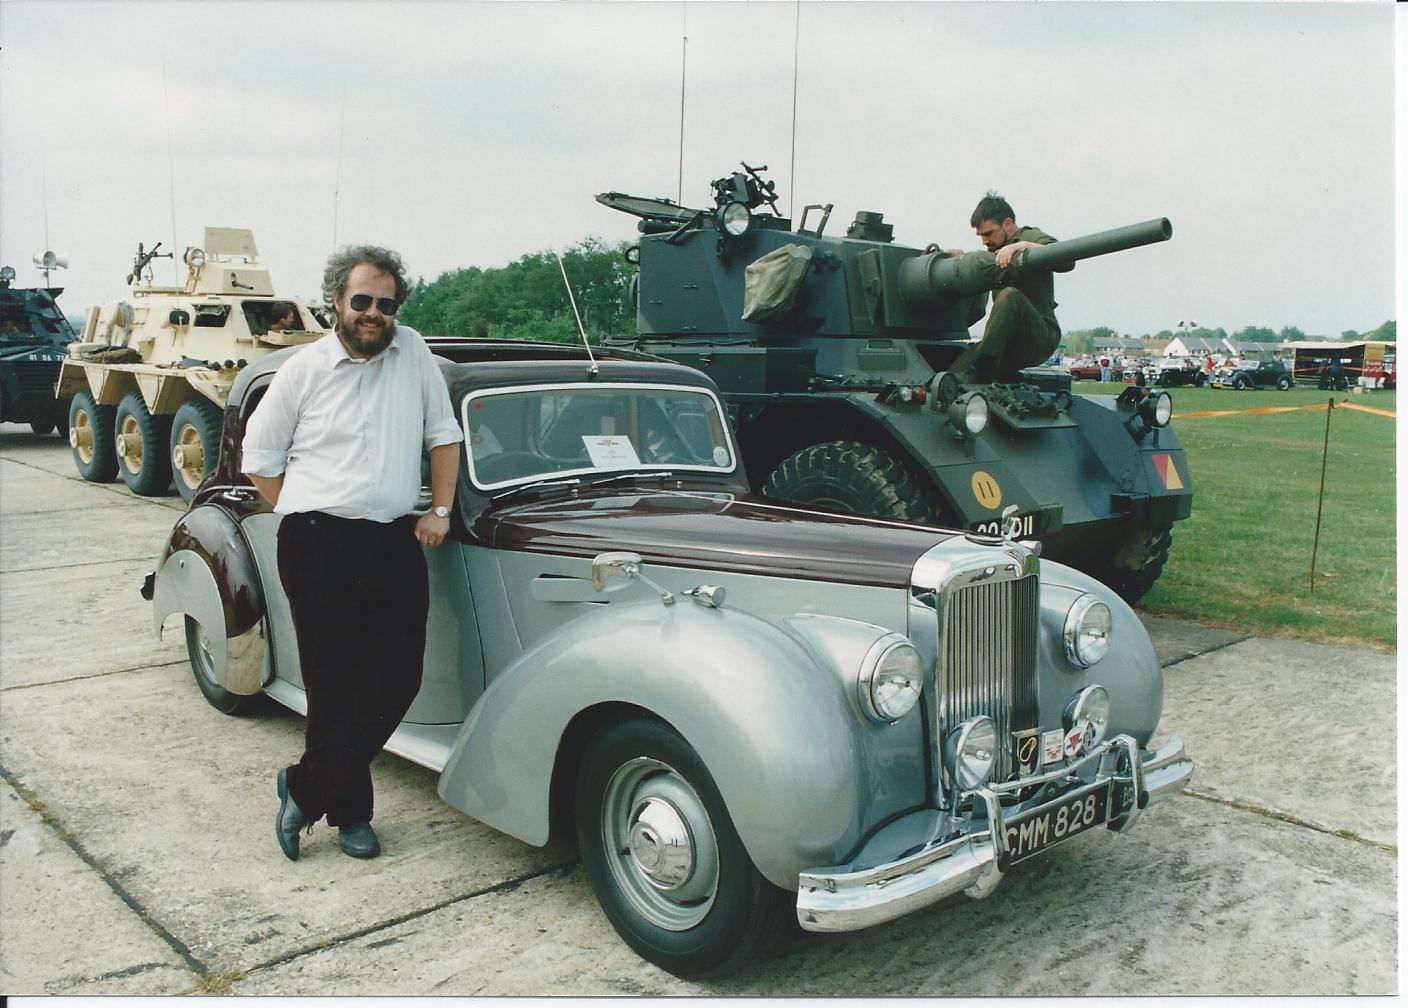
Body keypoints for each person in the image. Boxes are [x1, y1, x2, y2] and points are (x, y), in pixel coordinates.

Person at [241, 245, 464, 862]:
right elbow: (258, 461)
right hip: (319, 542)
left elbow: (443, 436)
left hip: (394, 538)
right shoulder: (302, 371)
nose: (373, 313)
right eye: (361, 300)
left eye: (385, 304)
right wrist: (309, 509)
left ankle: (304, 786)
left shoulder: (412, 351)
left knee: (398, 678)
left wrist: (439, 510)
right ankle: (352, 815)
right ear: (336, 302)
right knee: (335, 686)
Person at [945, 192, 1073, 383]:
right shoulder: (995, 251)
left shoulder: (1029, 236)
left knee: (1010, 296)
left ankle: (985, 364)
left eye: (989, 234)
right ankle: (992, 370)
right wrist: (960, 262)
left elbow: (1066, 260)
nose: (984, 241)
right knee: (955, 376)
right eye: (981, 236)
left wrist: (1022, 246)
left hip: (1038, 336)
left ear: (1007, 223)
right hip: (1005, 342)